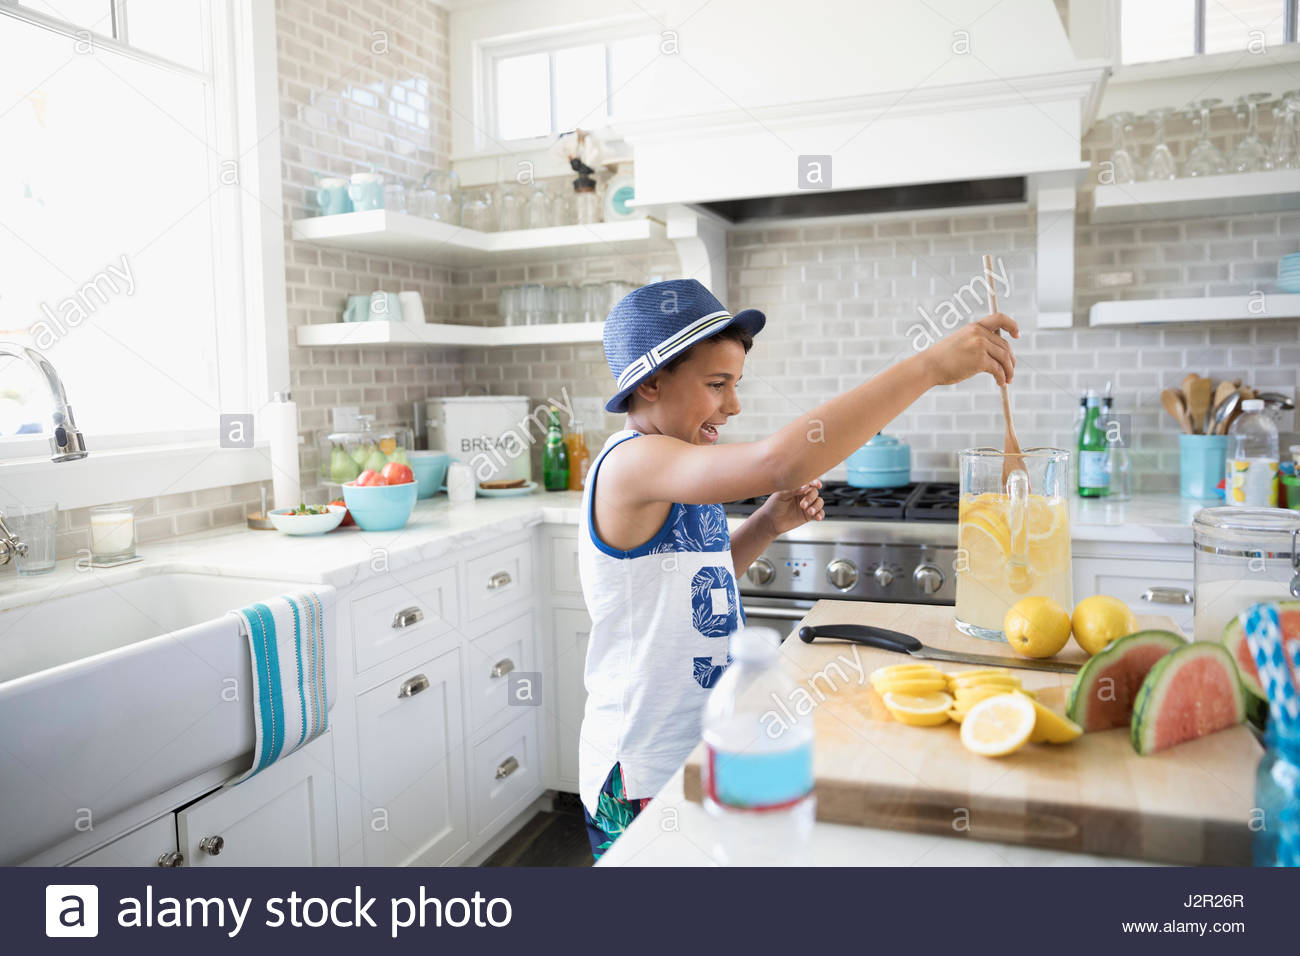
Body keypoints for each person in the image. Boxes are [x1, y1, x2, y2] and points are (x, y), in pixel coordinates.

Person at [577, 278, 1018, 859]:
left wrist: (765, 525)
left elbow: (696, 588)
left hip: (700, 742)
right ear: (651, 383)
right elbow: (780, 460)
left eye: (735, 384)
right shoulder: (631, 463)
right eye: (717, 385)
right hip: (641, 766)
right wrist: (929, 367)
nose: (733, 405)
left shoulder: (682, 465)